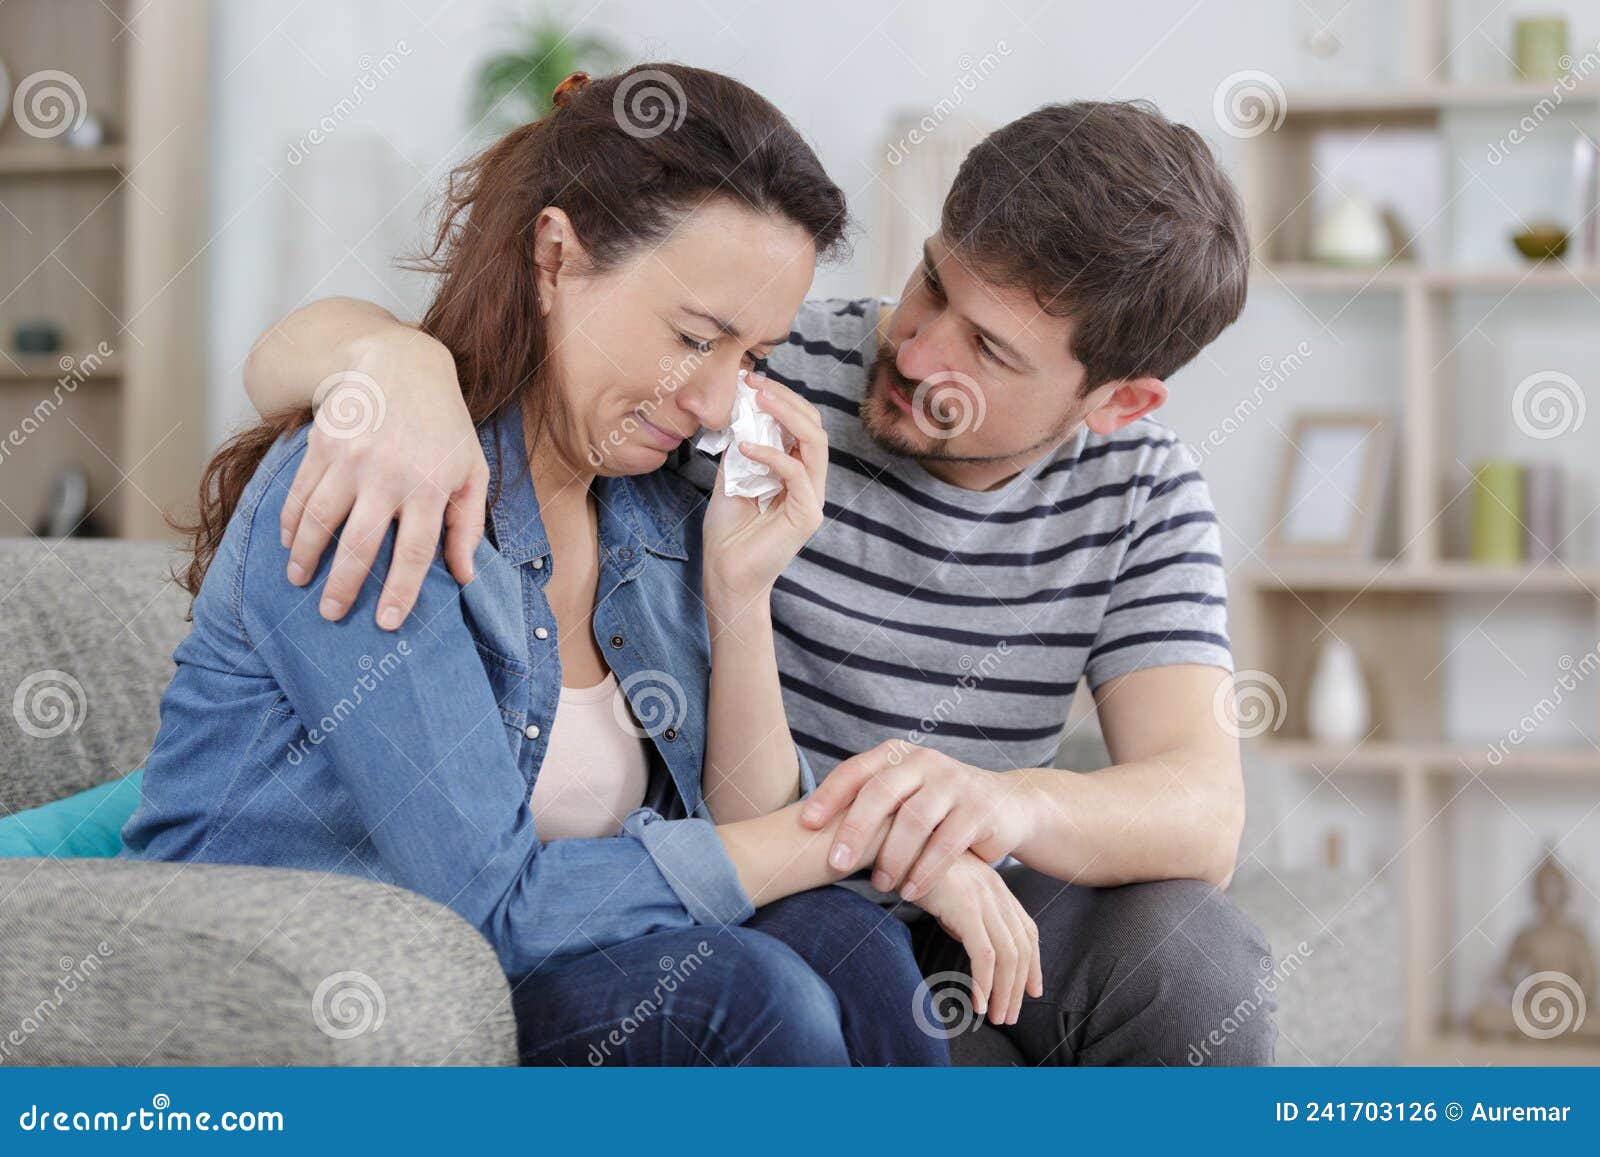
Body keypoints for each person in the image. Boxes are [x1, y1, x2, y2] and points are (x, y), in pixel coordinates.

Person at [239, 96, 1277, 1065]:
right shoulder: (746, 379)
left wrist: (995, 806)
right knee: (805, 969)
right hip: (777, 891)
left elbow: (1202, 814)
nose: (917, 351)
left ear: (1118, 403)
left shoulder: (1139, 488)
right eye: (932, 283)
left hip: (945, 899)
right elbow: (434, 359)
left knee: (1189, 958)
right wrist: (396, 366)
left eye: (987, 349)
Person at [120, 64, 1051, 1067]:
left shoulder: (647, 505)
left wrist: (738, 595)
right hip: (316, 995)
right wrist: (854, 835)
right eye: (693, 337)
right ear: (556, 256)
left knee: (849, 942)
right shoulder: (383, 486)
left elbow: (736, 833)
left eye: (749, 358)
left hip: (523, 979)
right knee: (745, 996)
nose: (712, 401)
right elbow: (494, 909)